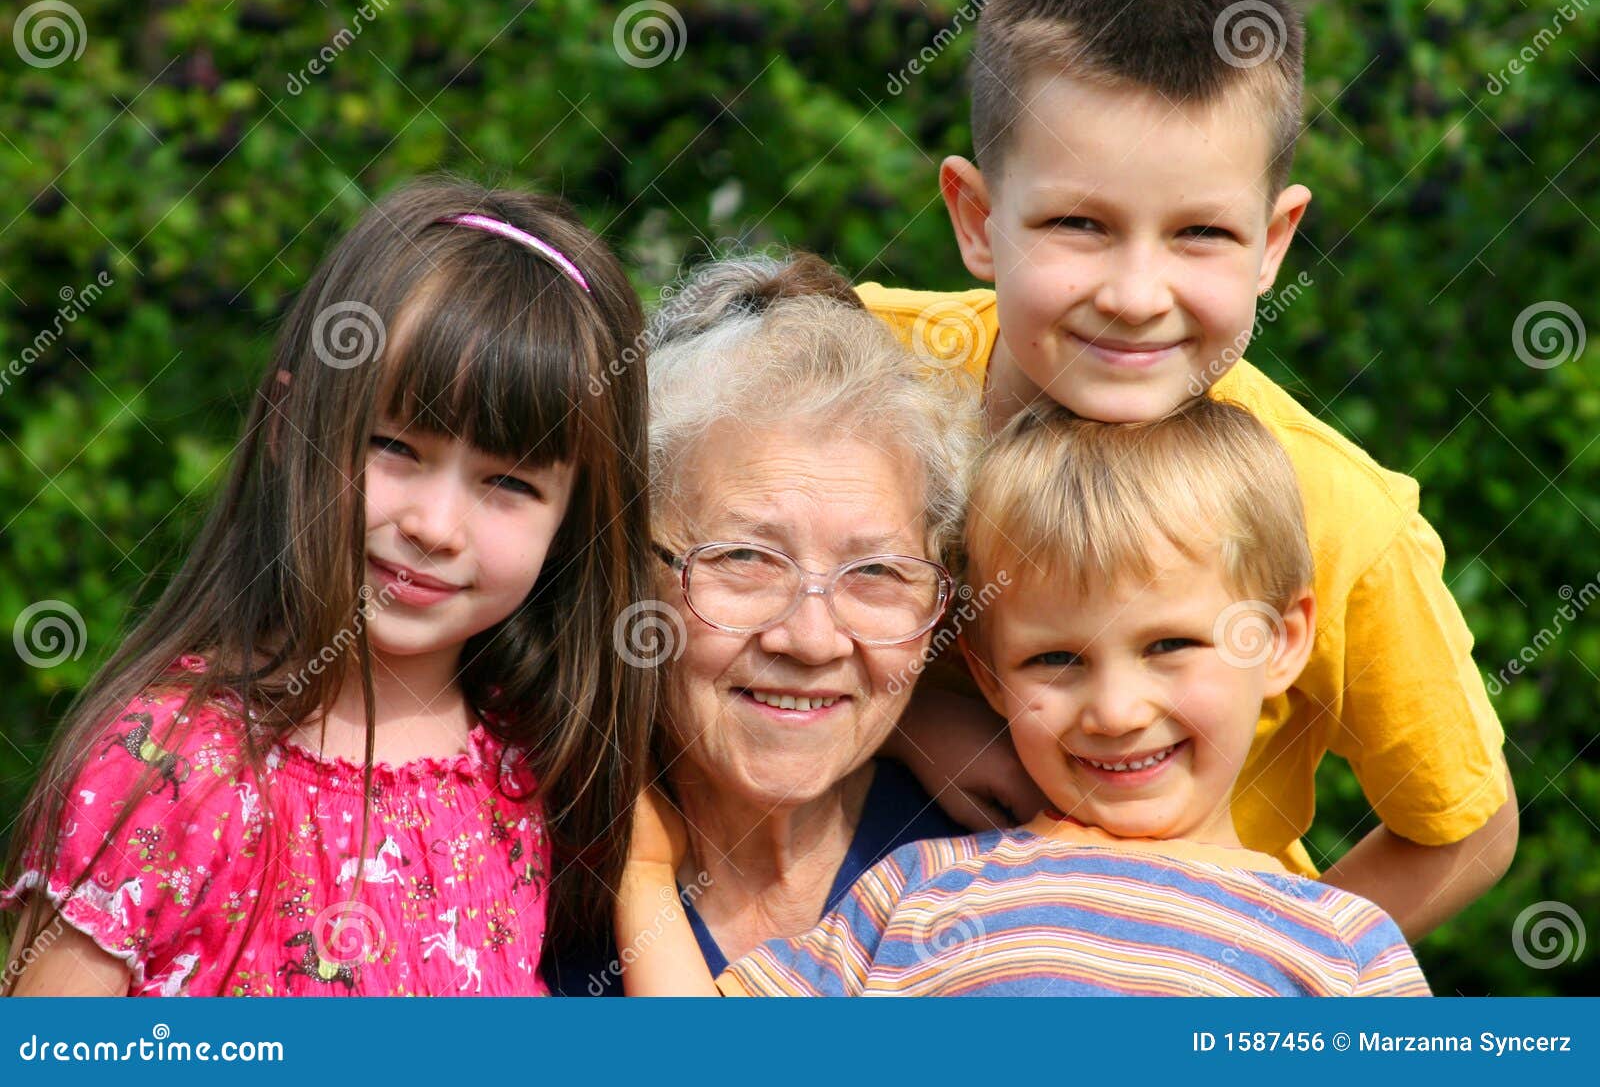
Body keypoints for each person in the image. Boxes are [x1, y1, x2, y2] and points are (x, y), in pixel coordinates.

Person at [859, 0, 1515, 938]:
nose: (1133, 296)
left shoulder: (1331, 512)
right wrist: (911, 717)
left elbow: (1466, 826)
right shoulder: (853, 380)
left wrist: (1253, 966)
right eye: (1078, 225)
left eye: (1199, 233)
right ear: (978, 217)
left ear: (1273, 241)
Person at [1, 176, 656, 996]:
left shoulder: (536, 762)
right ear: (287, 428)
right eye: (395, 445)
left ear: (573, 518)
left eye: (511, 483)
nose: (436, 525)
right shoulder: (167, 766)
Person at [619, 397, 1431, 996]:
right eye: (1055, 659)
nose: (1114, 710)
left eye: (1170, 645)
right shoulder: (919, 890)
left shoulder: (1344, 945)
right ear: (987, 672)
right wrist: (645, 875)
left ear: (1283, 639)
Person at [544, 252, 984, 995]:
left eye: (876, 572)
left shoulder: (997, 862)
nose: (811, 639)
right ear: (626, 572)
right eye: (745, 557)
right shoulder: (508, 883)